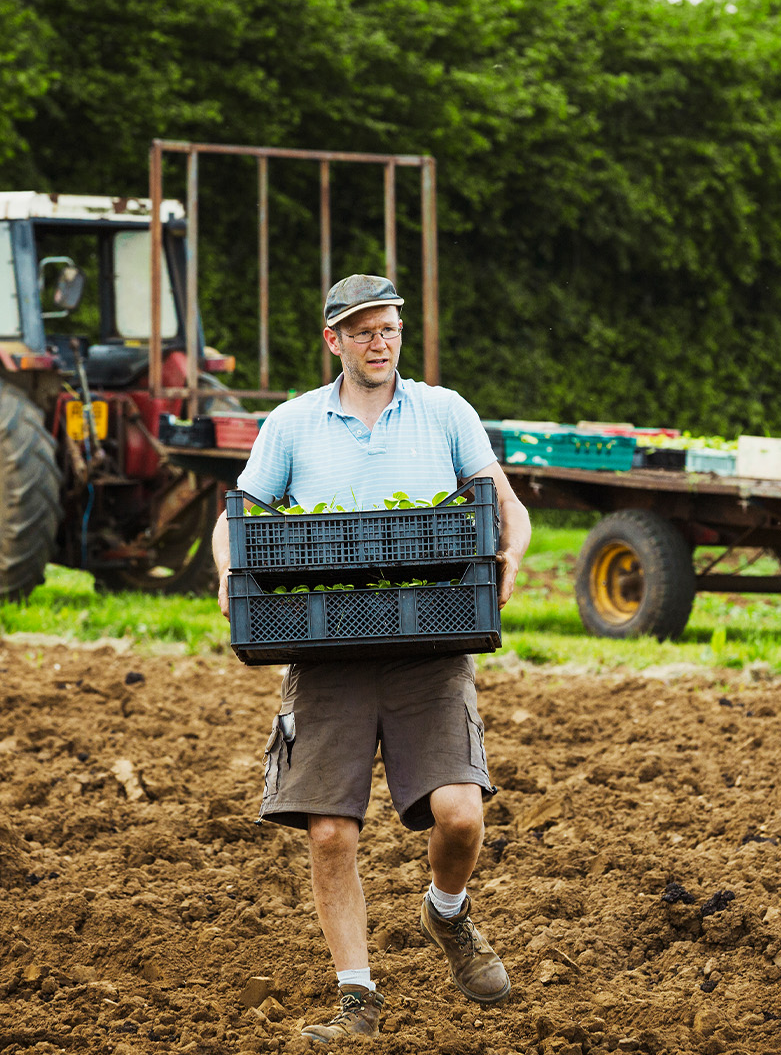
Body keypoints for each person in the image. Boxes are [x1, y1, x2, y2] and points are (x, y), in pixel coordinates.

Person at [211, 274, 533, 1043]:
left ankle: (446, 914)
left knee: (460, 817)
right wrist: (227, 575)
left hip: (432, 640)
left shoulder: (444, 411)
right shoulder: (292, 425)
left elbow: (500, 497)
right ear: (335, 341)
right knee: (330, 833)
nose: (378, 342)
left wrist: (514, 546)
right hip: (327, 650)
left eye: (387, 329)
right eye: (361, 331)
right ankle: (357, 995)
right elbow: (240, 517)